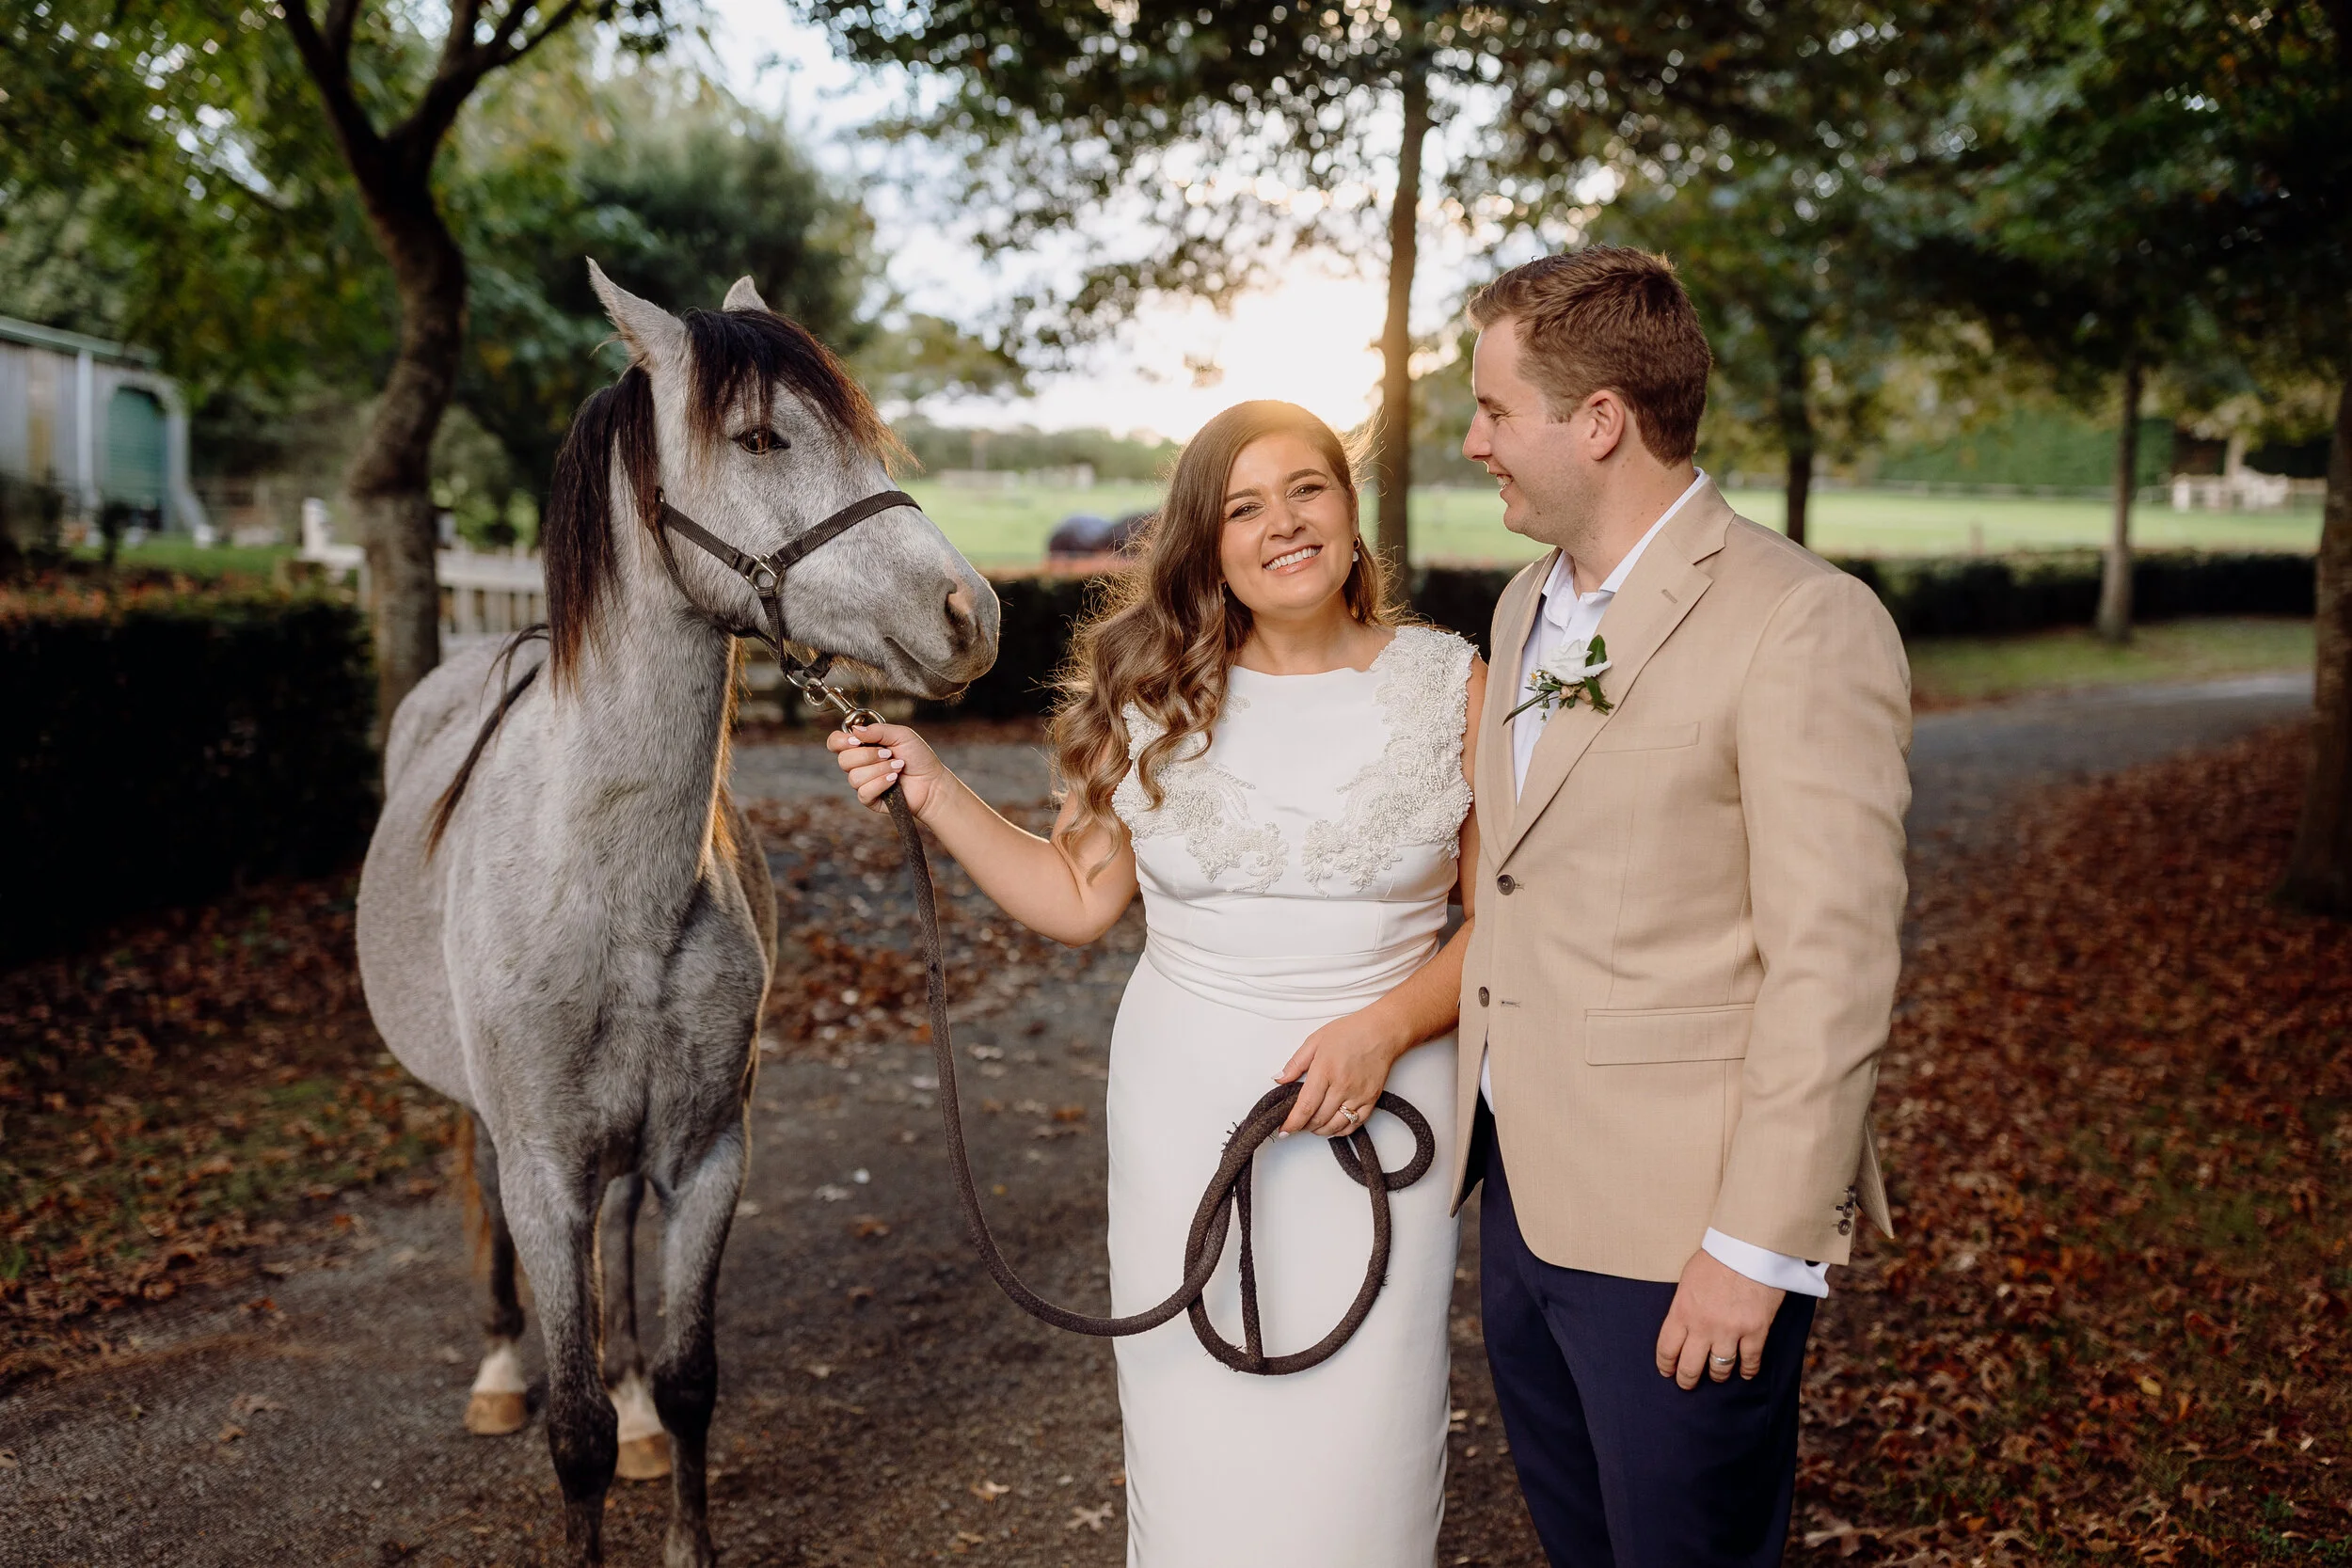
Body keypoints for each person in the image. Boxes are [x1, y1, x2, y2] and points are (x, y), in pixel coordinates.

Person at [829, 400, 1486, 1567]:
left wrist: (1384, 1029)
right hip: (1188, 1103)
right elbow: (1077, 899)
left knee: (1365, 1436)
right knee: (1199, 1438)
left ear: (1347, 508)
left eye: (1308, 489)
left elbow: (1504, 921)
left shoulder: (1454, 685)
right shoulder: (1150, 694)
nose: (1282, 524)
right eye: (1243, 506)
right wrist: (933, 788)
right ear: (1205, 539)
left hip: (1385, 1101)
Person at [1451, 245, 1911, 1565]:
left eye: (1494, 410)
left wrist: (1754, 1249)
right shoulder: (1523, 603)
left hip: (1682, 1235)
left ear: (1598, 422)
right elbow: (1524, 873)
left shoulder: (1802, 623)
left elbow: (1834, 968)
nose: (1476, 440)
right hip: (1525, 1206)